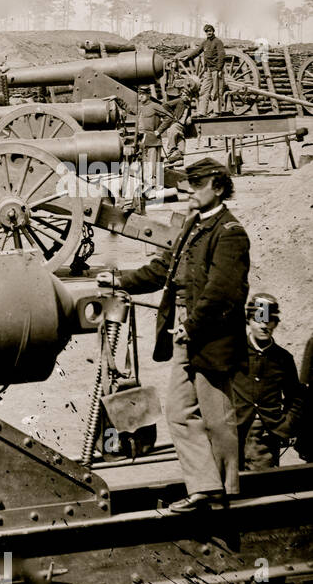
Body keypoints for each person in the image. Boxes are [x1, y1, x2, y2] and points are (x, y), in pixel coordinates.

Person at [97, 157, 249, 512]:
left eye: (195, 186)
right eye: (187, 186)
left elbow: (222, 291)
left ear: (218, 188)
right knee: (179, 413)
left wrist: (191, 326)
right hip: (186, 330)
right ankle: (206, 487)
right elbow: (163, 268)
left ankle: (228, 490)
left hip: (209, 334)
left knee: (215, 415)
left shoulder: (229, 233)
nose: (188, 193)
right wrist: (121, 280)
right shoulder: (194, 225)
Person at [232, 294, 304, 469]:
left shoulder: (283, 358)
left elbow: (295, 396)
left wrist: (285, 425)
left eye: (269, 320)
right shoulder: (233, 352)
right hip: (234, 433)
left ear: (276, 323)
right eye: (259, 319)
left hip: (265, 437)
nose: (264, 325)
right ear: (249, 320)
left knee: (262, 488)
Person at [172, 24, 227, 116]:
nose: (209, 33)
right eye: (206, 31)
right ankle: (202, 111)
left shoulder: (218, 42)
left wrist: (219, 69)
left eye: (210, 31)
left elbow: (222, 55)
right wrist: (187, 58)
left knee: (216, 91)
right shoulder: (205, 43)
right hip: (208, 70)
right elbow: (197, 51)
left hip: (216, 70)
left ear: (213, 31)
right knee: (204, 90)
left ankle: (217, 112)